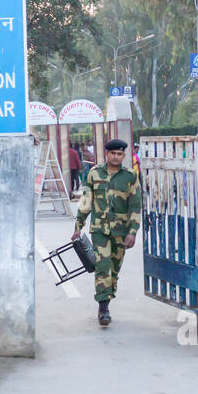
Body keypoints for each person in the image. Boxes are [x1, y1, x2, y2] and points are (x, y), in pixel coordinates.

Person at [74, 139, 141, 327]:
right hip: (99, 230)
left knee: (114, 269)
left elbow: (135, 206)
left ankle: (107, 299)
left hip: (121, 231)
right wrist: (78, 226)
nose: (116, 157)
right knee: (103, 266)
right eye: (113, 154)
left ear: (124, 156)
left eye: (120, 154)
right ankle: (103, 309)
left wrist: (133, 232)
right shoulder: (95, 174)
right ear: (107, 154)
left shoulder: (130, 177)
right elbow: (86, 201)